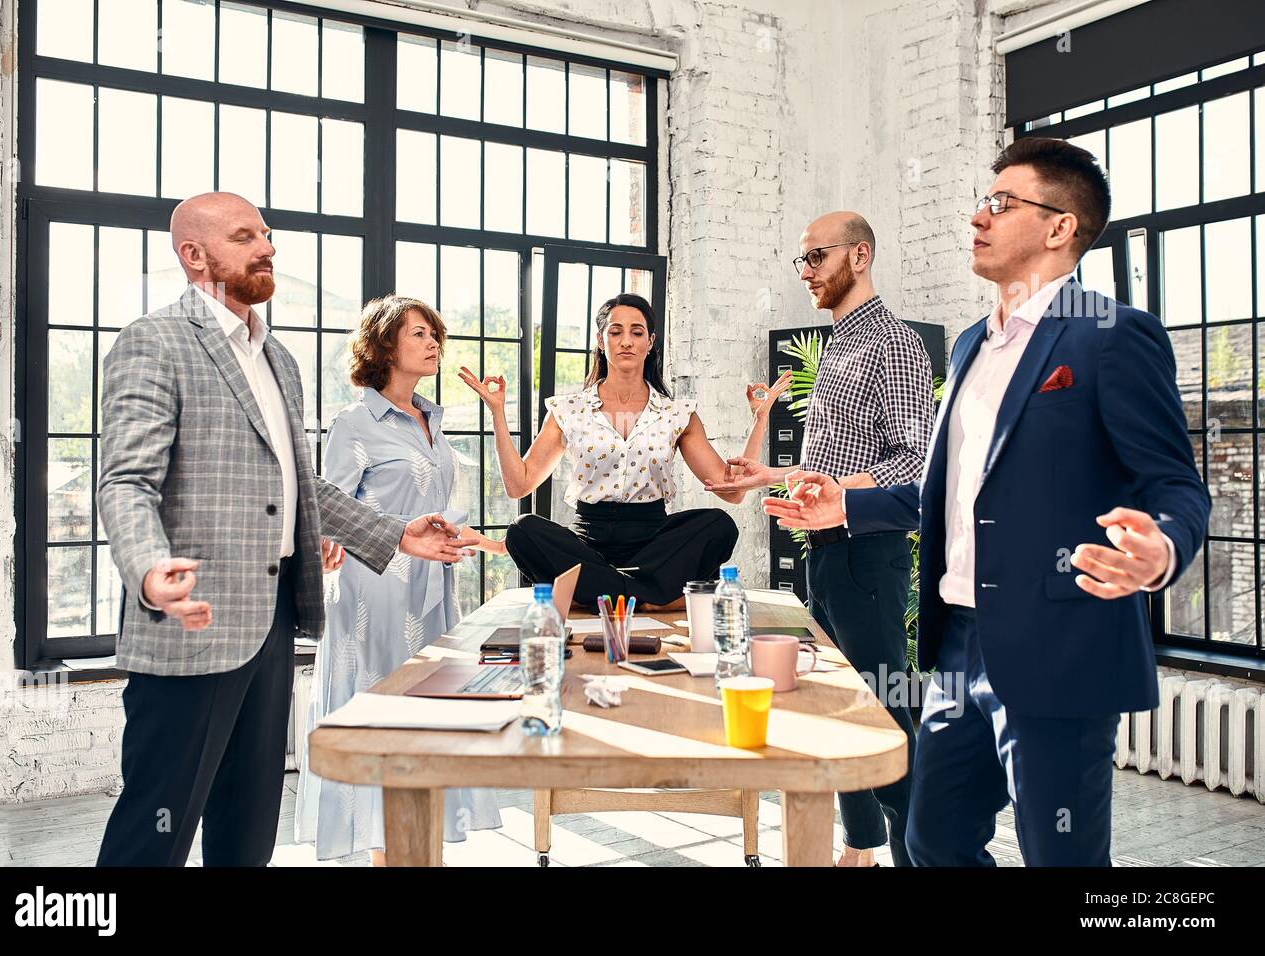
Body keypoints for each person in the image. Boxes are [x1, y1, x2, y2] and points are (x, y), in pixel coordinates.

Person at [763, 138, 1211, 866]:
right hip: (960, 647)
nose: (979, 215)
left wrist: (1160, 549)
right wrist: (843, 510)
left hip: (1061, 649)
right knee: (933, 840)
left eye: (1001, 203)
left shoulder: (1113, 337)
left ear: (1060, 227)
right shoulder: (972, 344)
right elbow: (947, 493)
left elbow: (1178, 486)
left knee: (1059, 857)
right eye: (983, 199)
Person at [95, 192, 468, 867]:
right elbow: (126, 482)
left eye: (266, 234)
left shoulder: (279, 361)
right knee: (154, 833)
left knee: (247, 829)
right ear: (194, 255)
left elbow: (301, 488)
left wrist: (394, 534)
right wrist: (150, 567)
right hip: (191, 628)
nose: (267, 247)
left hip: (271, 625)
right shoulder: (154, 342)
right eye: (245, 237)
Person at [706, 212, 933, 868]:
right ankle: (860, 847)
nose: (805, 271)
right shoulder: (839, 342)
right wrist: (774, 474)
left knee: (883, 719)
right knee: (839, 707)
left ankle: (927, 854)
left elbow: (915, 461)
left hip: (870, 557)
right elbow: (839, 465)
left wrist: (835, 496)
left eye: (817, 257)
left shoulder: (892, 343)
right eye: (801, 260)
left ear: (860, 255)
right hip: (828, 556)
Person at [294, 295, 504, 865]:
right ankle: (382, 853)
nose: (434, 343)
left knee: (430, 720)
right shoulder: (353, 423)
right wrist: (325, 545)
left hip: (435, 592)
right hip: (375, 596)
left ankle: (424, 848)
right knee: (385, 719)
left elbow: (438, 501)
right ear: (385, 344)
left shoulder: (432, 417)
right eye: (419, 334)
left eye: (436, 334)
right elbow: (327, 505)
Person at [459, 293, 788, 610]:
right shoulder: (568, 410)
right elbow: (520, 485)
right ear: (601, 342)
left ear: (650, 341)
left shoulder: (677, 414)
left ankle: (597, 593)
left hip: (653, 544)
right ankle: (648, 596)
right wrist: (497, 414)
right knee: (522, 530)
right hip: (588, 542)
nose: (626, 341)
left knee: (718, 525)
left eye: (637, 332)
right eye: (615, 332)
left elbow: (731, 491)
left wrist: (760, 419)